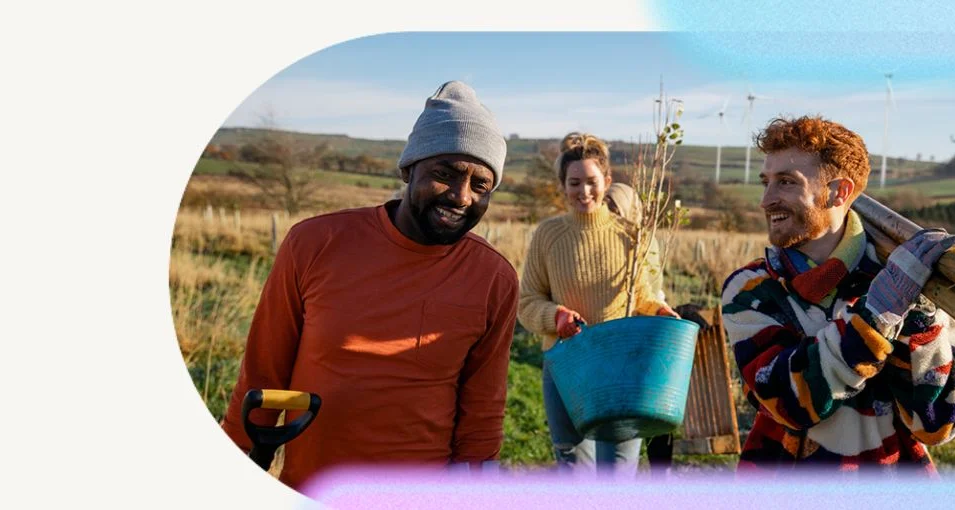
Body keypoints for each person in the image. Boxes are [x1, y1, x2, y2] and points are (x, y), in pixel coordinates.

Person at [219, 81, 520, 488]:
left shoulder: (493, 277)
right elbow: (262, 370)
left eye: (480, 185)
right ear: (409, 169)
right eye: (444, 174)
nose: (461, 196)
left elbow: (484, 402)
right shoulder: (315, 243)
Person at [721, 115, 955, 475]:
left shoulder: (908, 278)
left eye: (786, 182)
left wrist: (919, 313)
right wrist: (876, 317)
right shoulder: (751, 288)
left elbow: (939, 422)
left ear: (839, 192)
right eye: (766, 182)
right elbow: (791, 402)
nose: (766, 200)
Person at [518, 133, 679, 477]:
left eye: (591, 182)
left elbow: (643, 299)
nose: (584, 191)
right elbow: (528, 302)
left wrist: (659, 313)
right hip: (567, 368)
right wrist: (555, 316)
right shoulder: (548, 236)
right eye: (574, 183)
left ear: (606, 181)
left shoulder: (632, 236)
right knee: (575, 472)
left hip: (622, 370)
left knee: (617, 476)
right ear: (563, 185)